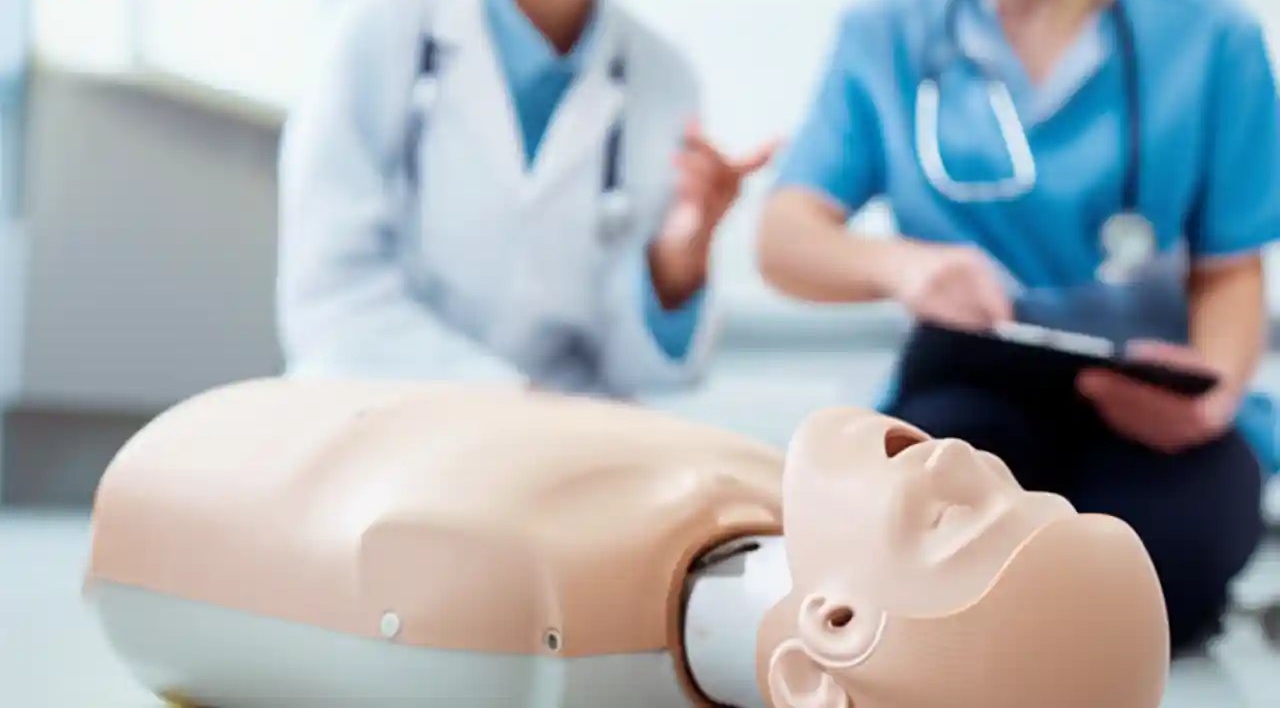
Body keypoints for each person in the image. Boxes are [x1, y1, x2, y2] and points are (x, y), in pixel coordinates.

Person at [86, 382, 1168, 708]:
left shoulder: (495, 603)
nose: (958, 458)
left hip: (195, 457)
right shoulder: (748, 480)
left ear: (814, 650)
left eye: (951, 518)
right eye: (1019, 489)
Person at [757, 0, 1279, 654]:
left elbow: (1230, 269)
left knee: (1166, 565)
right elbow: (785, 238)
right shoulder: (886, 31)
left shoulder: (1213, 34)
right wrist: (901, 266)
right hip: (971, 388)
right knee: (920, 555)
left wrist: (1215, 393)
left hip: (1150, 409)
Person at [278, 0, 775, 397]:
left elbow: (640, 374)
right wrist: (514, 399)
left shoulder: (664, 77)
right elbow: (331, 306)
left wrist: (675, 265)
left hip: (559, 453)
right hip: (380, 408)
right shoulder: (378, 23)